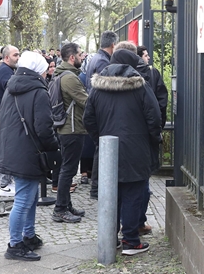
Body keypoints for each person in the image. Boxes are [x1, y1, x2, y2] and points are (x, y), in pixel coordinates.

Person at [83, 49, 162, 255]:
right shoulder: (140, 88)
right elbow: (154, 119)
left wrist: (101, 139)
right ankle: (131, 240)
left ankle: (111, 238)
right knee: (133, 195)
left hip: (108, 151)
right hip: (136, 150)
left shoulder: (97, 89)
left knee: (111, 194)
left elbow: (88, 120)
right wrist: (152, 141)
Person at [0, 51, 59, 261]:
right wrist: (54, 146)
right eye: (44, 70)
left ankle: (28, 235)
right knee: (24, 199)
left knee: (29, 197)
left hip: (13, 148)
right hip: (28, 150)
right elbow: (44, 127)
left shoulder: (12, 87)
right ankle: (15, 244)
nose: (46, 74)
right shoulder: (38, 91)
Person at [50, 43, 89, 223]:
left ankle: (66, 204)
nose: (82, 57)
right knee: (68, 169)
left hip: (67, 128)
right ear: (72, 57)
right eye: (80, 55)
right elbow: (85, 101)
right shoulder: (70, 78)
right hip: (72, 128)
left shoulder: (61, 74)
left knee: (68, 168)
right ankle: (60, 209)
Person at [85, 31, 118, 199]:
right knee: (102, 150)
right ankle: (97, 188)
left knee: (100, 149)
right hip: (101, 110)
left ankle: (96, 187)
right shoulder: (104, 62)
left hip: (95, 108)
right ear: (113, 45)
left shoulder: (95, 59)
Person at [0, 45, 20, 197]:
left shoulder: (8, 70)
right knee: (6, 149)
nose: (18, 57)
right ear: (7, 57)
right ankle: (4, 183)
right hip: (5, 116)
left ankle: (7, 181)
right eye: (15, 55)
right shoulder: (4, 70)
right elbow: (12, 87)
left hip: (6, 115)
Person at [137, 45, 169, 129]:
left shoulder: (127, 74)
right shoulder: (153, 73)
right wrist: (160, 124)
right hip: (152, 122)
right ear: (139, 57)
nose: (149, 58)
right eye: (146, 55)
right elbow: (162, 99)